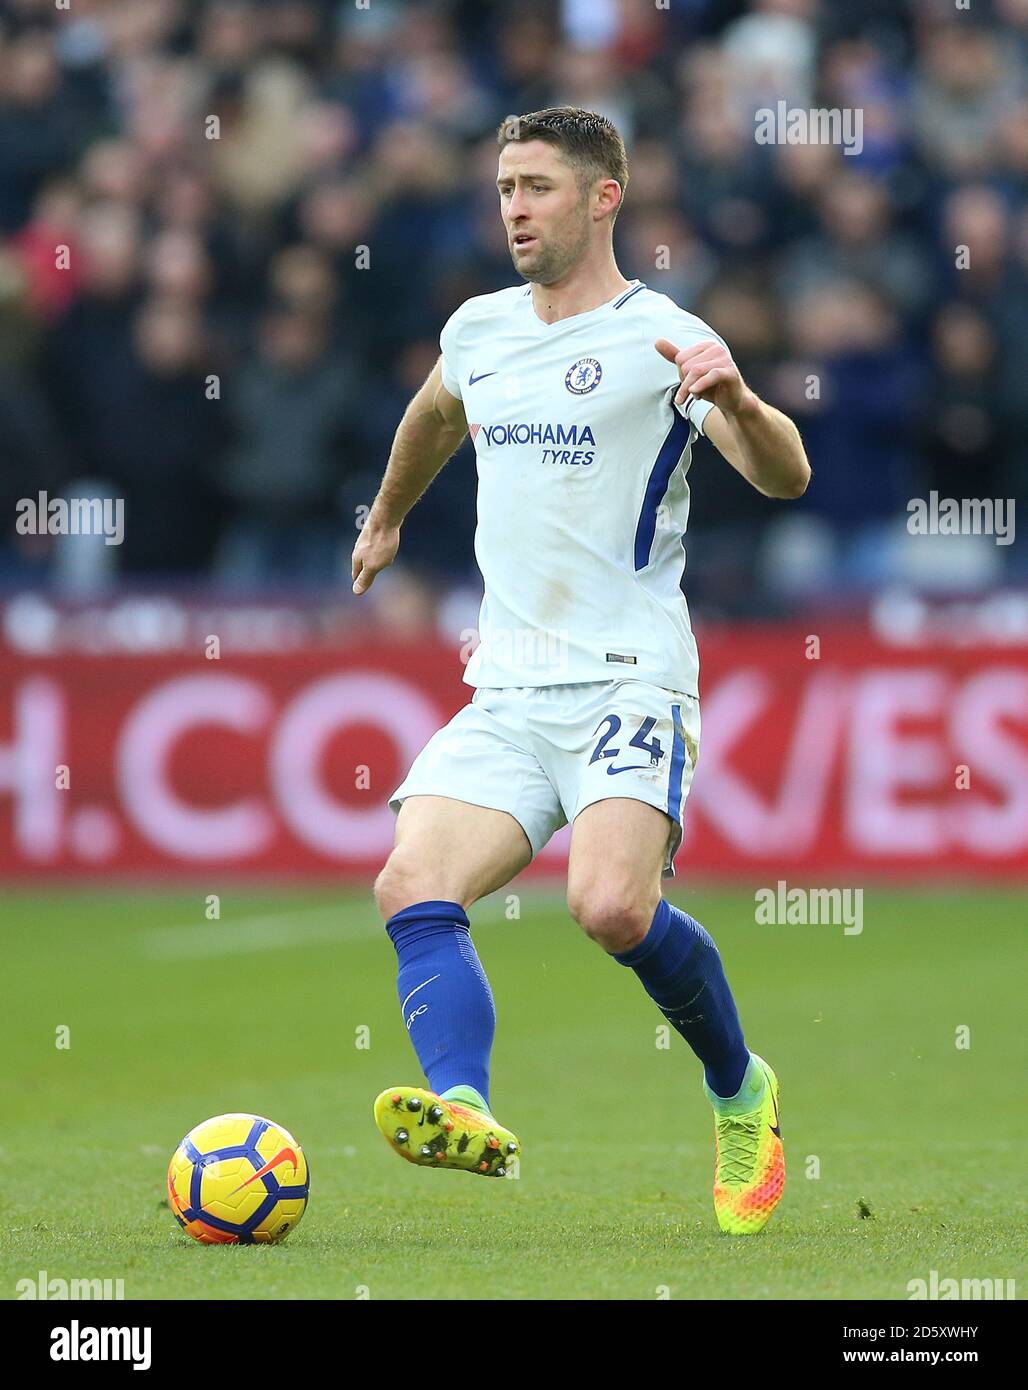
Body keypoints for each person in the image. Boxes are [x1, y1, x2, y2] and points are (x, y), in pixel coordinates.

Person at [351, 107, 810, 1234]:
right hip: (506, 686)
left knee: (608, 906)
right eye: (505, 185)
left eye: (538, 186)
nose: (513, 206)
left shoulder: (663, 336)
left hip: (626, 677)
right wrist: (386, 518)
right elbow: (432, 413)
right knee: (410, 885)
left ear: (604, 197)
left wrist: (738, 398)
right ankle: (465, 1105)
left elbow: (783, 476)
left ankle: (738, 1087)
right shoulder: (478, 329)